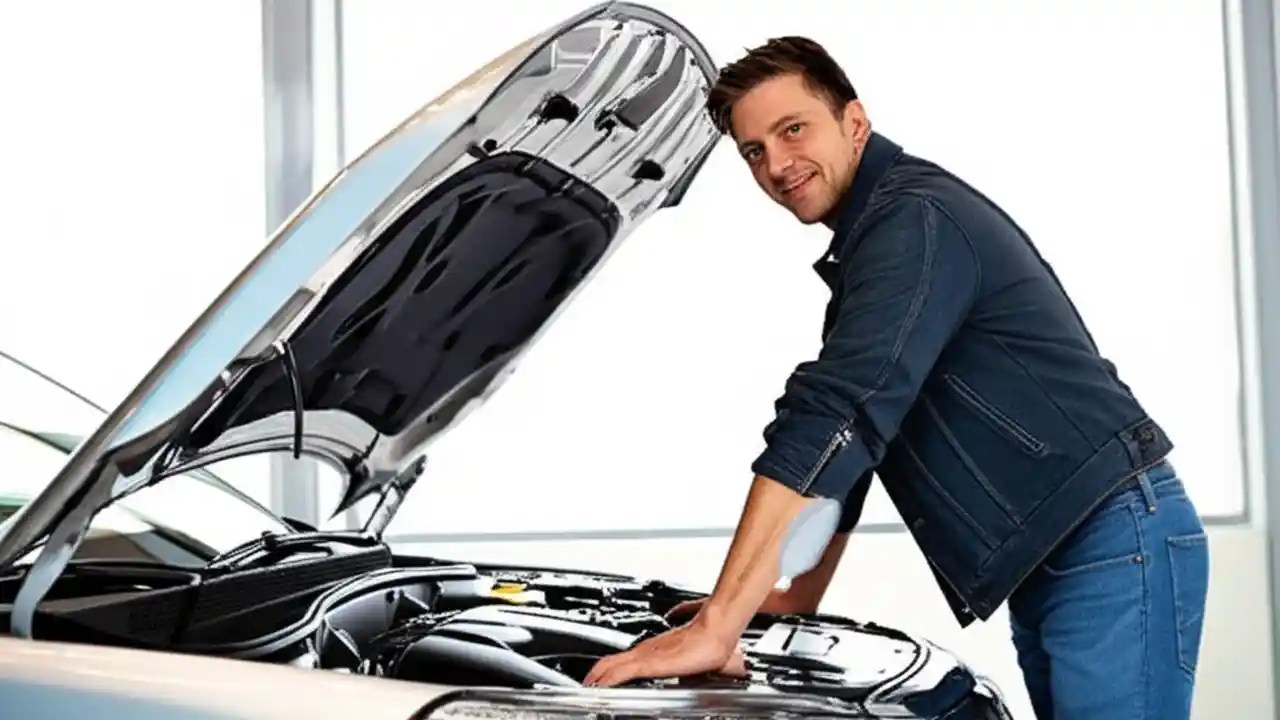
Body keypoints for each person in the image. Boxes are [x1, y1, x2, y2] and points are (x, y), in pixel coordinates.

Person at [583, 35, 1210, 719]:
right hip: (1066, 554)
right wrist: (793, 593)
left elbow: (837, 416)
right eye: (754, 151)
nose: (777, 165)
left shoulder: (914, 223)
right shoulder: (874, 244)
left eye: (793, 130)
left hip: (1112, 540)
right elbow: (851, 456)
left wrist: (719, 626)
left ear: (855, 123)